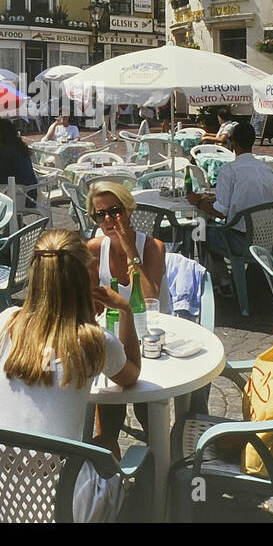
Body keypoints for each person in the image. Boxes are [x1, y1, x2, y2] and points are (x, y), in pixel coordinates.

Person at [0, 228, 142, 521]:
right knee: (108, 444)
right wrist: (125, 310)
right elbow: (130, 377)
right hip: (67, 504)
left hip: (4, 494)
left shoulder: (7, 323)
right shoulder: (94, 341)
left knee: (95, 445)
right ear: (83, 283)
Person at [85, 179, 169, 453]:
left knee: (148, 407)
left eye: (115, 210)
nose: (109, 219)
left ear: (129, 210)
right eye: (101, 214)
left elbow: (148, 300)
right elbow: (88, 306)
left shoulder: (154, 247)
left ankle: (158, 462)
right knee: (109, 407)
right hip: (113, 339)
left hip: (152, 341)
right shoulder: (94, 250)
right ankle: (110, 472)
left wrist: (131, 249)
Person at [186, 121, 273, 287]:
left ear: (232, 143)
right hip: (267, 237)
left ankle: (221, 278)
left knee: (200, 230)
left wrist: (198, 201)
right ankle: (230, 277)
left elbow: (221, 212)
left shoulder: (230, 170)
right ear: (253, 142)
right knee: (210, 227)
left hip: (241, 241)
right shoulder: (267, 169)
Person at [0, 118, 36, 186]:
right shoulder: (18, 144)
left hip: (18, 192)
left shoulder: (7, 149)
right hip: (30, 189)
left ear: (1, 133)